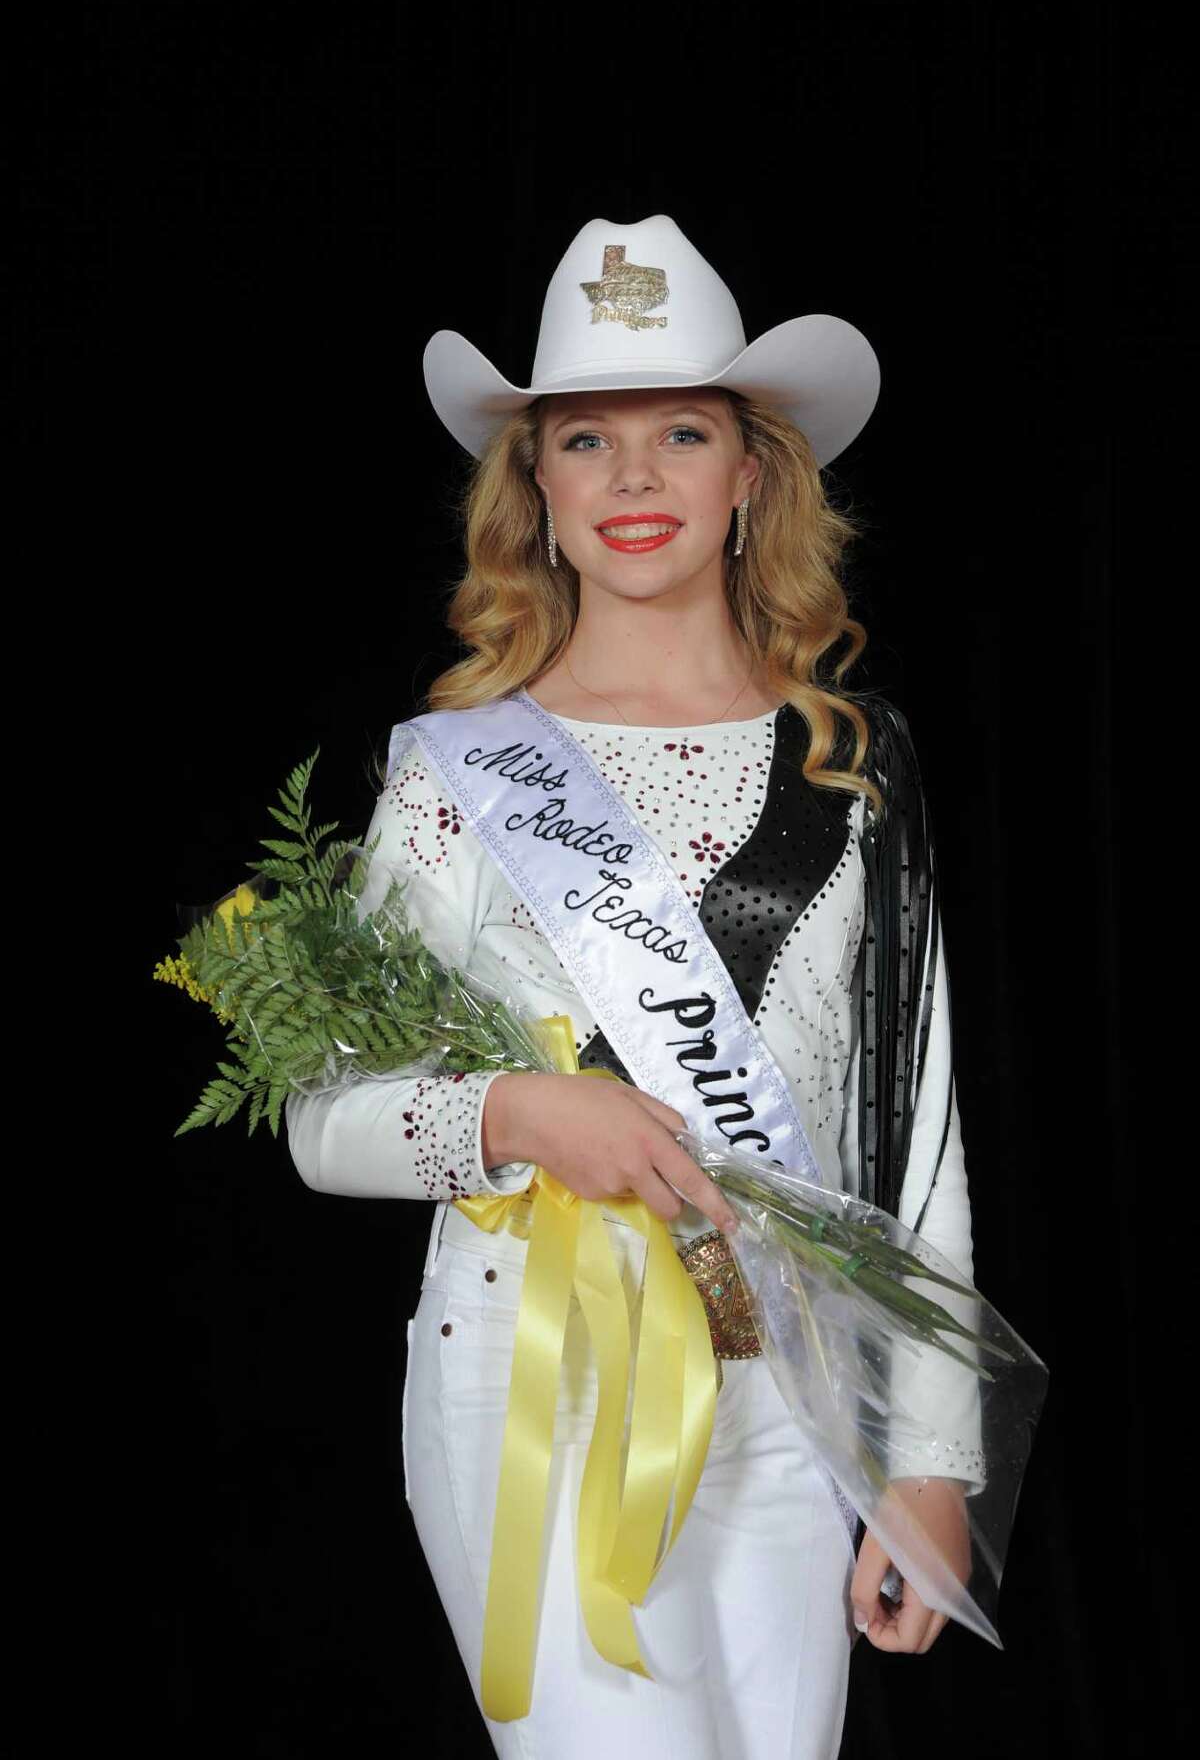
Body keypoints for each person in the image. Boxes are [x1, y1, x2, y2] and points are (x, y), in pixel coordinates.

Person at [285, 215, 979, 1759]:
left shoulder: (850, 766)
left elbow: (921, 1144)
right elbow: (323, 1118)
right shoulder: (457, 774)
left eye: (684, 432)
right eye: (585, 440)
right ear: (536, 489)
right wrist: (524, 1113)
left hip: (793, 1400)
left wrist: (930, 1457)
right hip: (533, 1390)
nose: (637, 477)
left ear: (753, 476)